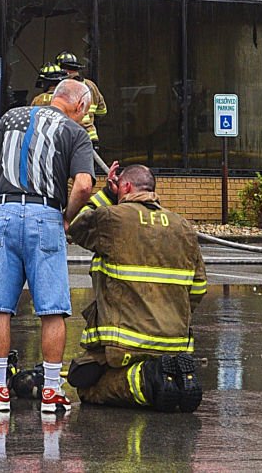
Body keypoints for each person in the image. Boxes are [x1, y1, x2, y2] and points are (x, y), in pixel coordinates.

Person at [0, 78, 96, 414]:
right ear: (79, 106)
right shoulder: (75, 132)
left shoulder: (11, 117)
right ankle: (52, 392)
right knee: (52, 309)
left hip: (5, 212)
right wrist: (67, 217)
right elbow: (83, 185)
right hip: (46, 215)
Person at [66, 161, 206, 411]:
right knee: (86, 371)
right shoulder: (183, 226)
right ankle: (174, 380)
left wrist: (106, 194)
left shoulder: (112, 218)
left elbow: (74, 223)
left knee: (87, 388)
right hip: (176, 342)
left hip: (124, 343)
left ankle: (148, 379)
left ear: (126, 186)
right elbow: (198, 288)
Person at [53, 53, 108, 146]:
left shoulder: (65, 87)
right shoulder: (91, 85)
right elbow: (102, 111)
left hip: (74, 138)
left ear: (63, 69)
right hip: (91, 137)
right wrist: (91, 116)